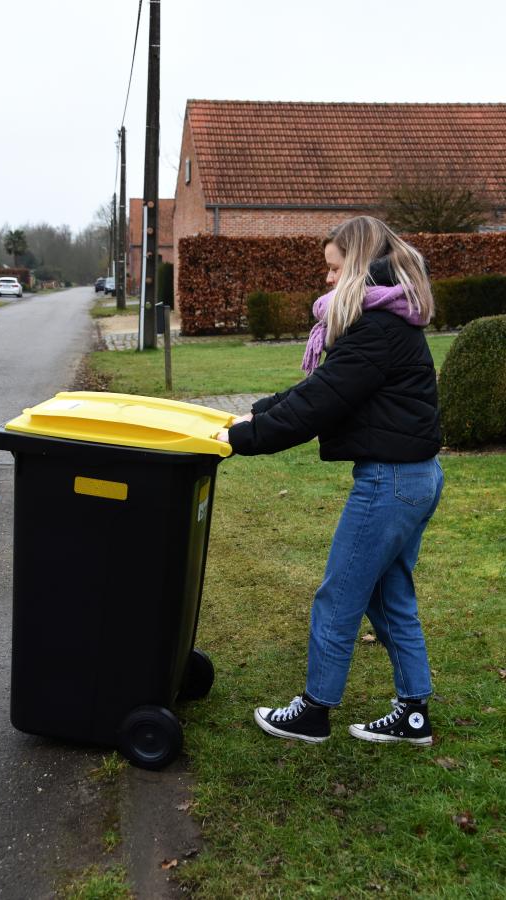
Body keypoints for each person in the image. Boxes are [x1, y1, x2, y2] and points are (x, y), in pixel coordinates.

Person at [216, 216, 443, 746]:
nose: (327, 279)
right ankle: (413, 715)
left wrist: (241, 440)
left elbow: (319, 404)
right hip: (415, 477)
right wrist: (256, 414)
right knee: (390, 599)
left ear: (359, 268)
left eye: (334, 269)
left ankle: (314, 711)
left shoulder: (377, 329)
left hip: (390, 483)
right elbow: (322, 388)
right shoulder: (386, 321)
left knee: (339, 594)